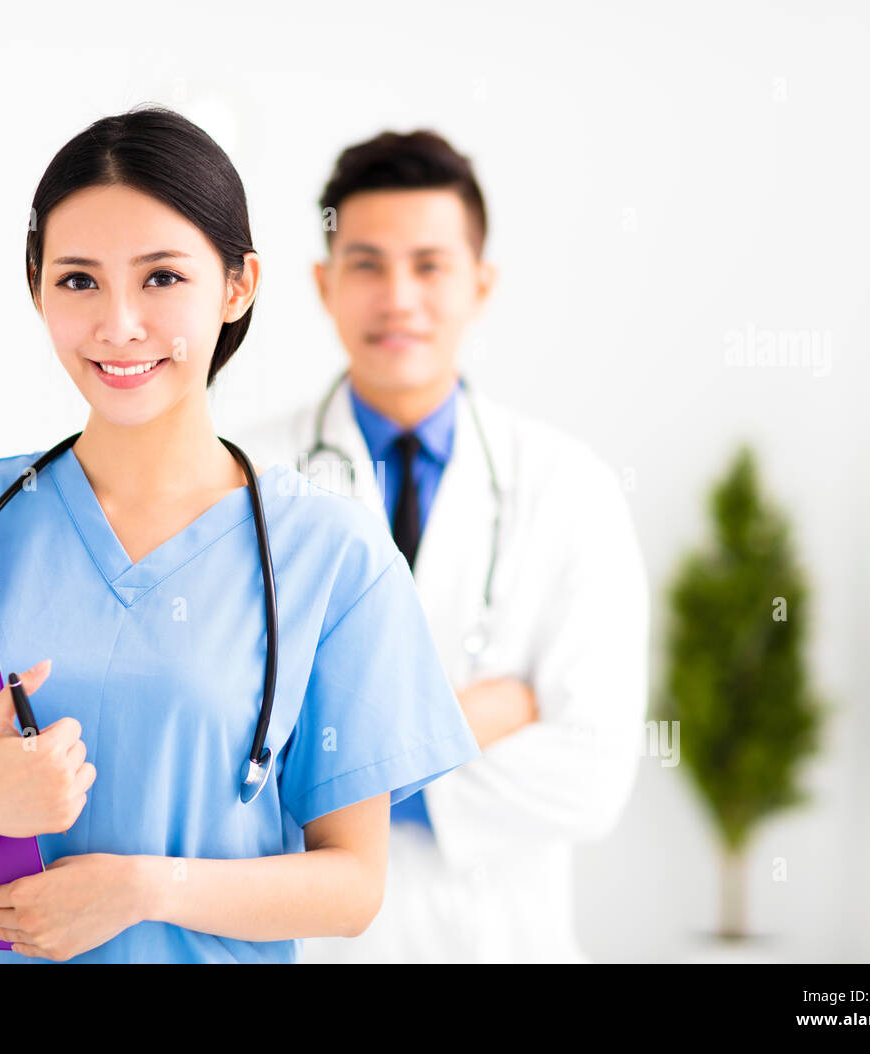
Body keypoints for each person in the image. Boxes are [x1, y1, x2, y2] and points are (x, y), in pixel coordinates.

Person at [0, 107, 480, 964]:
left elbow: (350, 889)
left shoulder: (332, 557)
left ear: (238, 286)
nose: (119, 324)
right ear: (37, 287)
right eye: (79, 280)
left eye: (161, 278)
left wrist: (142, 889)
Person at [236, 130, 649, 962]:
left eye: (429, 265)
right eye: (366, 264)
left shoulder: (570, 487)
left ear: (480, 285)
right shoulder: (244, 481)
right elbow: (228, 765)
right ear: (323, 283)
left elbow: (593, 780)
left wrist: (350, 769)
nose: (398, 297)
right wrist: (485, 715)